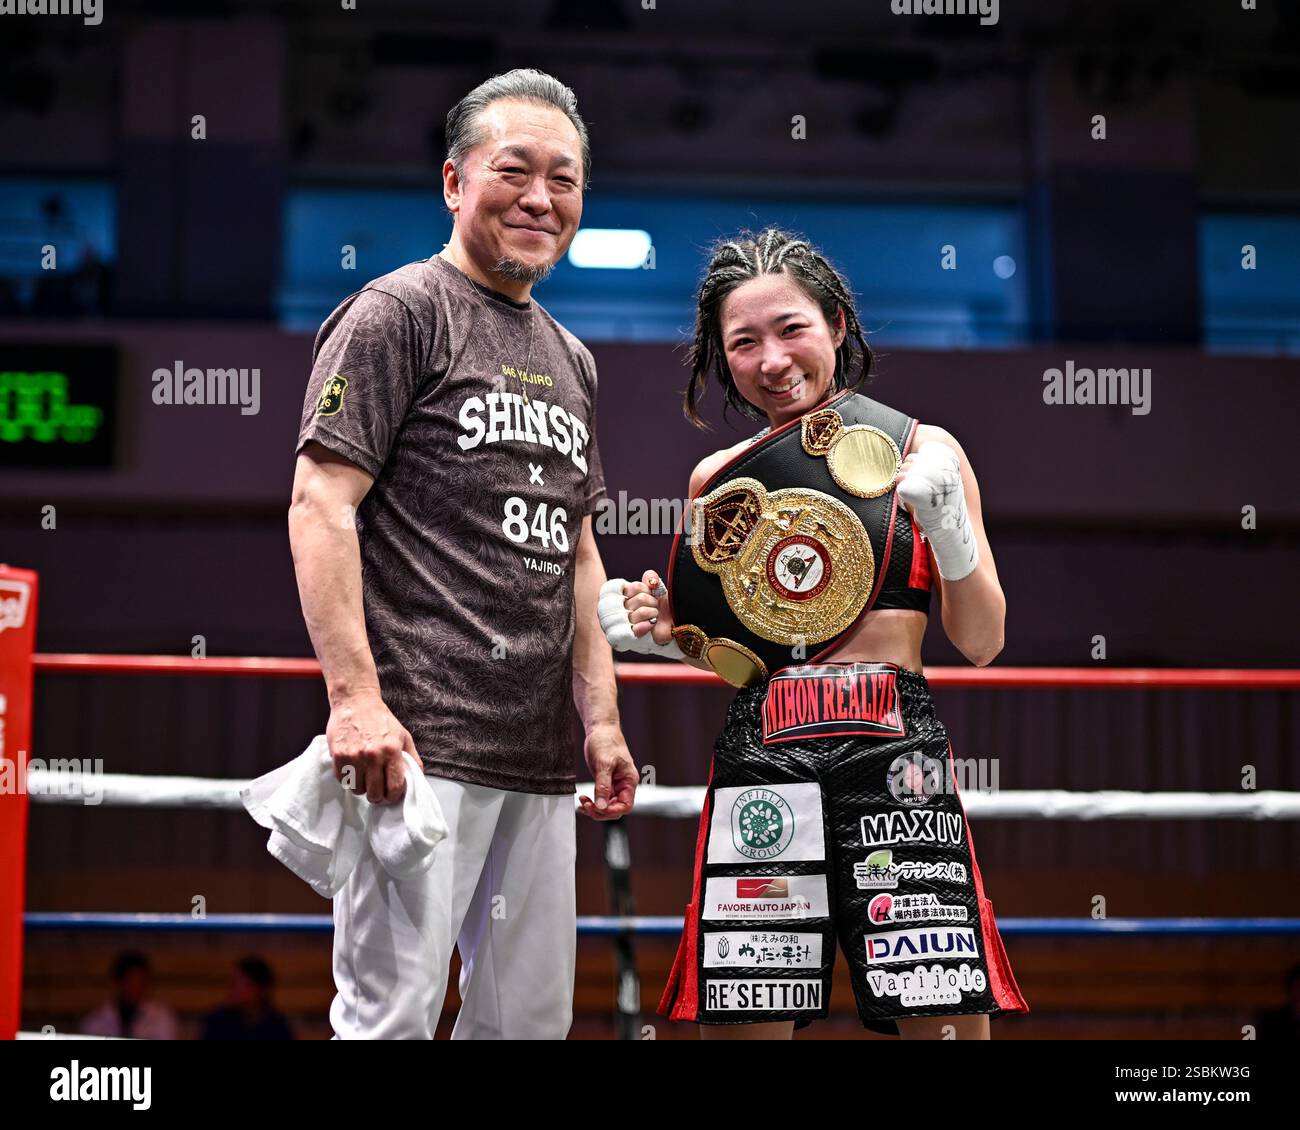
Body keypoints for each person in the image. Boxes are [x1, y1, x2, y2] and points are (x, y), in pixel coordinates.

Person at [600, 227, 1028, 1039]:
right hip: (766, 751)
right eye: (744, 342)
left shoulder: (921, 449)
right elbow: (734, 654)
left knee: (942, 1020)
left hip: (892, 751)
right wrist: (659, 633)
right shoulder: (717, 480)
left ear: (835, 324)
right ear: (723, 360)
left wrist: (946, 528)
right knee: (746, 1019)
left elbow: (983, 639)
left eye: (791, 328)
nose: (772, 359)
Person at [289, 68, 637, 1040]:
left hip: (535, 757)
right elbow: (320, 501)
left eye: (563, 180)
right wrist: (354, 697)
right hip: (417, 746)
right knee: (390, 1018)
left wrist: (600, 719)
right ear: (454, 181)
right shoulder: (397, 311)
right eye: (512, 170)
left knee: (526, 1025)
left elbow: (575, 552)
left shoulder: (575, 358)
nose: (540, 197)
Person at [81, 951, 178, 1040]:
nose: (136, 988)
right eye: (131, 982)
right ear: (118, 983)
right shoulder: (96, 1020)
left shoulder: (161, 1017)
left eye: (141, 982)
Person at [200, 957, 294, 1040]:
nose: (236, 990)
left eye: (245, 985)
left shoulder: (278, 1027)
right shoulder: (217, 1022)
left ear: (262, 990)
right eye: (234, 984)